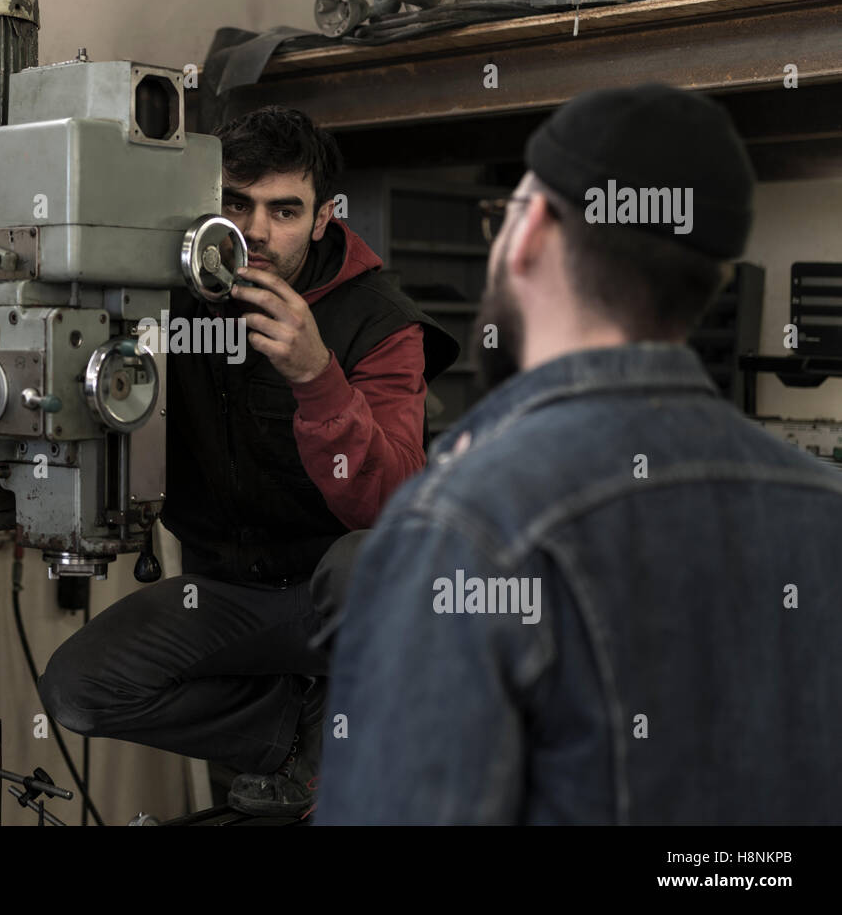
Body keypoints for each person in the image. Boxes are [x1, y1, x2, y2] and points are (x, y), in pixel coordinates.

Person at [0, 48, 459, 817]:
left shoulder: (379, 322)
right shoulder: (170, 287)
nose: (256, 231)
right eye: (237, 204)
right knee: (79, 687)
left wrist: (318, 375)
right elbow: (38, 253)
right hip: (223, 593)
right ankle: (298, 738)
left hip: (333, 600)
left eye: (285, 210)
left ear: (325, 216)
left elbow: (390, 502)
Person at [319, 83, 842, 825]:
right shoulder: (826, 507)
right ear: (710, 281)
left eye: (501, 216)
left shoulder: (464, 529)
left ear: (530, 230)